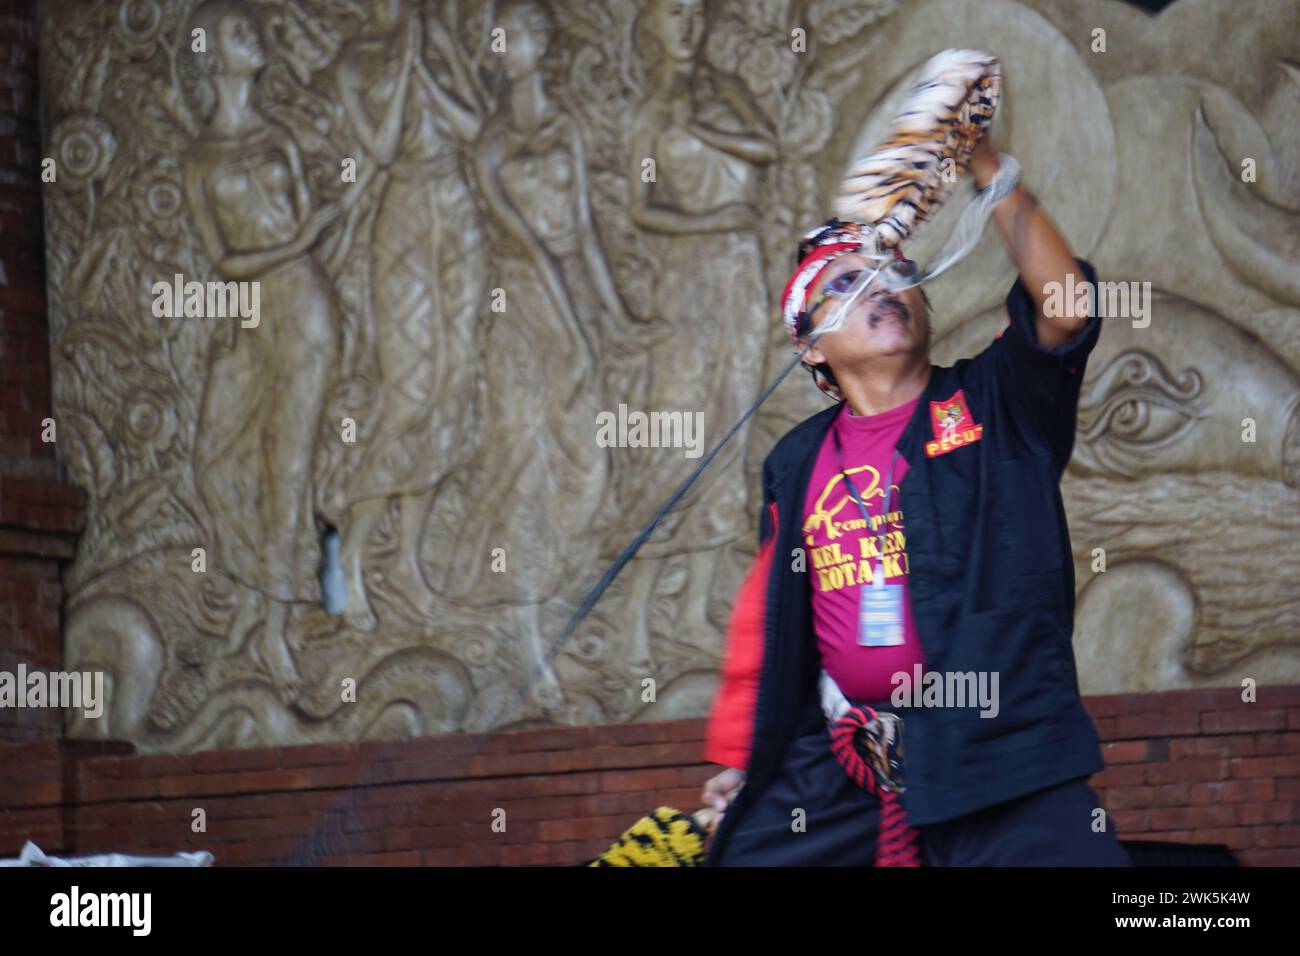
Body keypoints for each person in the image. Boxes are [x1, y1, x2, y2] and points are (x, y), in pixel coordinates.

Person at [698, 133, 1131, 866]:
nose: (879, 286)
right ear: (810, 347)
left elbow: (1065, 307)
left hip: (1002, 756)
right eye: (846, 282)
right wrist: (748, 762)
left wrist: (984, 164)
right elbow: (775, 626)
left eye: (895, 271)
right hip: (846, 767)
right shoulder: (796, 461)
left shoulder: (997, 402)